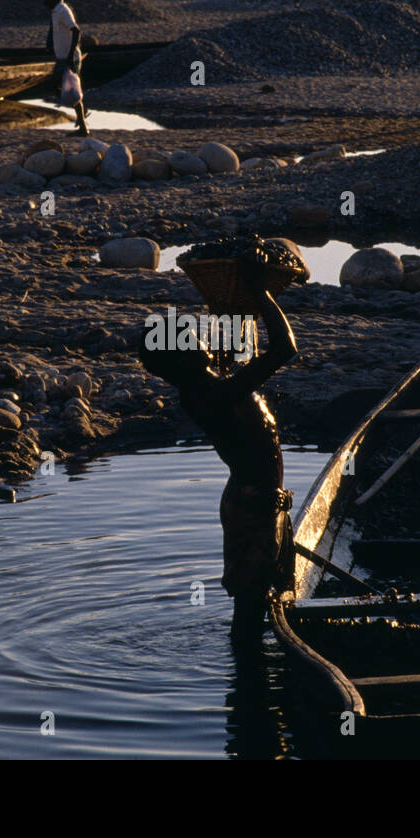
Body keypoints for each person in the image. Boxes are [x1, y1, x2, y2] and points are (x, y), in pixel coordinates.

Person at [137, 252, 298, 640]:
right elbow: (284, 348)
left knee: (260, 600)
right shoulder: (211, 395)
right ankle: (245, 684)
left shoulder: (210, 382)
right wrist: (260, 291)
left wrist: (239, 298)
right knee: (248, 611)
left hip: (260, 503)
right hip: (252, 509)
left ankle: (252, 676)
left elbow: (242, 344)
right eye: (190, 339)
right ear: (180, 358)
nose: (201, 339)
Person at [43, 0, 89, 136]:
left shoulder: (63, 11)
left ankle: (82, 121)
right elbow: (55, 30)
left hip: (69, 58)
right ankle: (82, 116)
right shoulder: (55, 11)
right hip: (62, 57)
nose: (44, 1)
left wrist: (70, 56)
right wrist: (50, 43)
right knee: (63, 89)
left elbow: (76, 31)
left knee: (66, 89)